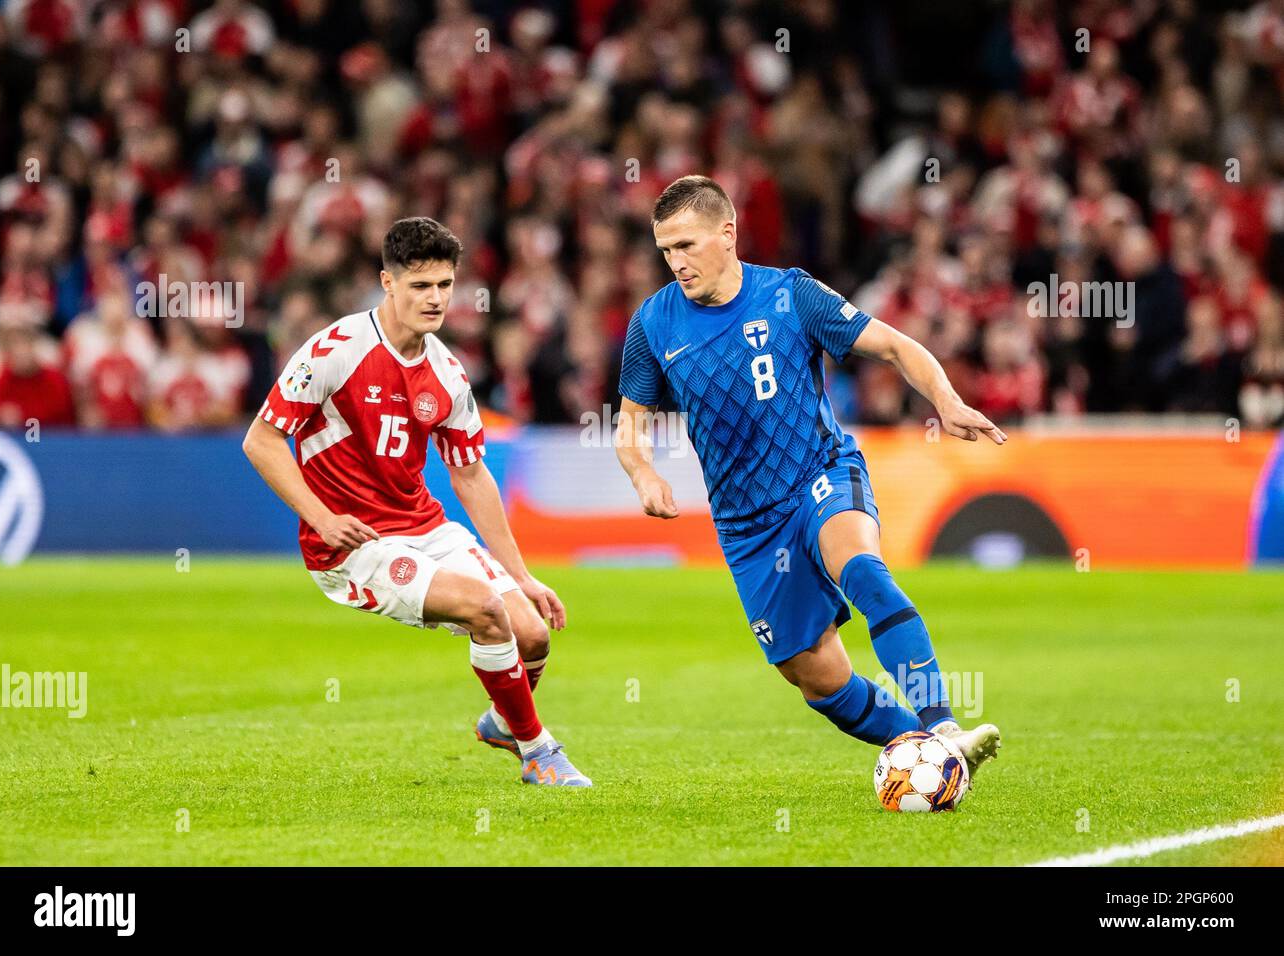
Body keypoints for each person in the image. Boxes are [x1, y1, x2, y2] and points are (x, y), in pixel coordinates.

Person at [614, 176, 1003, 781]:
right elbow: (629, 427)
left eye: (687, 245)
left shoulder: (791, 294)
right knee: (814, 676)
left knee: (862, 569)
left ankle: (944, 726)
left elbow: (897, 347)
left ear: (728, 233)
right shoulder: (654, 323)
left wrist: (946, 401)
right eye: (666, 250)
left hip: (820, 473)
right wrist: (643, 474)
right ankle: (928, 749)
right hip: (747, 525)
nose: (676, 263)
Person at [243, 216, 590, 786]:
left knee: (531, 634)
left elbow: (471, 475)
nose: (435, 299)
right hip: (354, 545)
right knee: (484, 609)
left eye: (444, 285)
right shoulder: (336, 350)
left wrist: (521, 574)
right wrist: (323, 518)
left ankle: (505, 721)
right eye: (420, 286)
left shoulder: (448, 373)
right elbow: (262, 440)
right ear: (388, 282)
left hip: (425, 527)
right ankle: (538, 751)